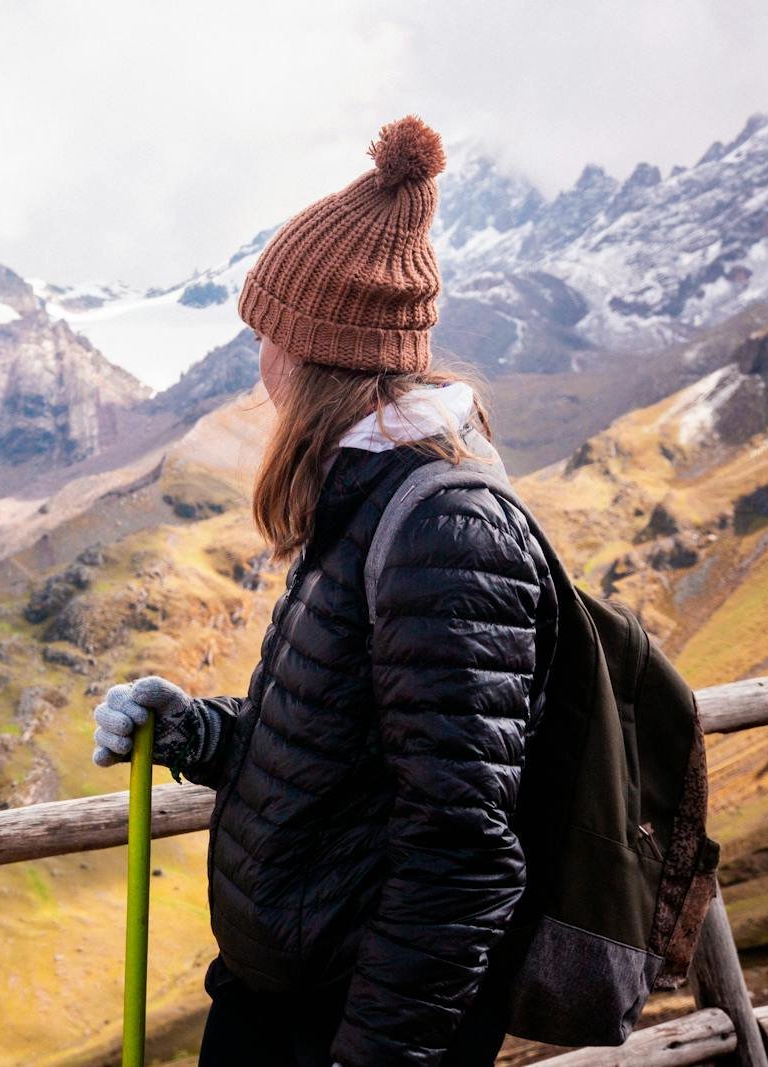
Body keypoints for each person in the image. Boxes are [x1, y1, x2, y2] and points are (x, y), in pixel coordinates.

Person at [91, 115, 561, 1067]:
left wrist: (370, 1058)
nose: (258, 360)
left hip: (342, 1028)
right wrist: (196, 733)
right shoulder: (365, 490)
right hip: (284, 998)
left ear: (313, 351)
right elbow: (346, 755)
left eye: (268, 334)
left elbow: (464, 848)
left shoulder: (442, 530)